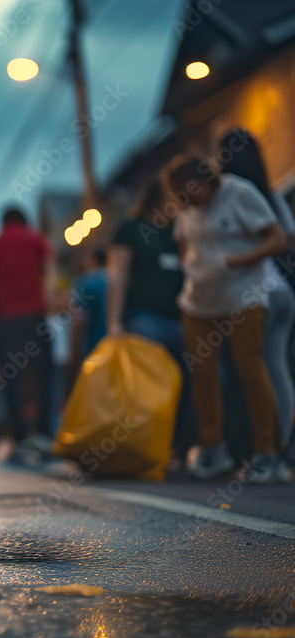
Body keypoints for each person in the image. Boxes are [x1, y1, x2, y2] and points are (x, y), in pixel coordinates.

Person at [164, 154, 287, 483]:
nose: (188, 201)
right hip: (198, 302)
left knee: (250, 367)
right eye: (180, 196)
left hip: (243, 294)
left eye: (192, 192)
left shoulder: (240, 193)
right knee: (202, 374)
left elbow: (278, 239)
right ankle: (213, 450)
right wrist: (192, 267)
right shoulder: (188, 208)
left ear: (207, 181)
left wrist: (235, 260)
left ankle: (266, 453)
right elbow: (182, 243)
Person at [219, 128, 295, 482]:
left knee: (253, 375)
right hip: (282, 293)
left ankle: (264, 455)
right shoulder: (271, 195)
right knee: (277, 371)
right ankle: (281, 455)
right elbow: (288, 239)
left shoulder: (230, 195)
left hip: (253, 296)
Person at [107, 178, 196, 460]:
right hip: (144, 318)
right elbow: (117, 277)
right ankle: (143, 447)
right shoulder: (130, 229)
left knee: (186, 383)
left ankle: (178, 447)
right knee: (149, 385)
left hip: (181, 319)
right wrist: (114, 322)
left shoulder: (176, 231)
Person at [0, 207, 56, 454]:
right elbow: (50, 270)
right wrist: (46, 300)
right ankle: (43, 432)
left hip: (4, 320)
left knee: (12, 378)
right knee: (42, 376)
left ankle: (19, 438)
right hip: (34, 318)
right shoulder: (37, 239)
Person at [70, 247, 108, 362]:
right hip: (117, 343)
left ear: (92, 260)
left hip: (93, 346)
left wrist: (73, 349)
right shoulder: (116, 280)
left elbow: (80, 318)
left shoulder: (85, 282)